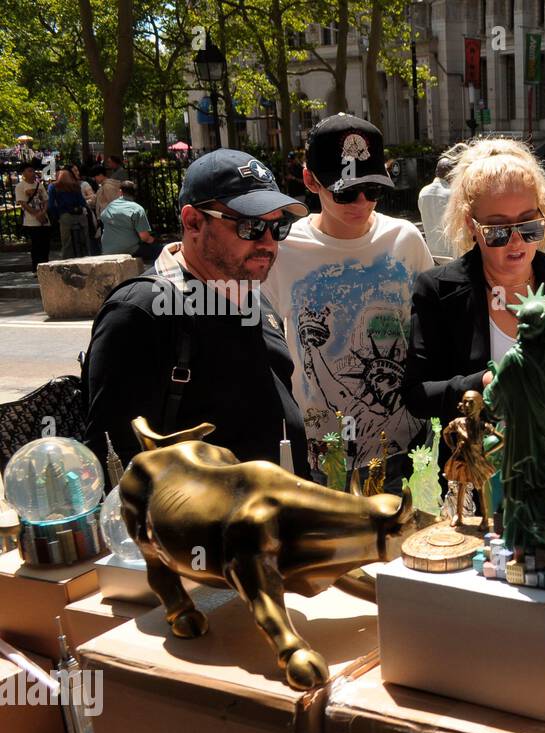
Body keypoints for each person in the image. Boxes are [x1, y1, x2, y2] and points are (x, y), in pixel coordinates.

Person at [81, 148, 310, 475]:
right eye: (250, 226)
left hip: (284, 503)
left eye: (278, 227)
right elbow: (115, 467)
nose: (268, 242)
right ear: (193, 222)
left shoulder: (253, 296)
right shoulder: (142, 312)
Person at [403, 138, 545, 482]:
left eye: (529, 227)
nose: (516, 242)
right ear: (471, 225)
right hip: (474, 478)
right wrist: (483, 384)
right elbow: (417, 394)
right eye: (498, 231)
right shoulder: (438, 290)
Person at [261, 114, 434, 490]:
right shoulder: (283, 251)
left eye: (372, 190)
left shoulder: (405, 240)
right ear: (310, 181)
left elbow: (430, 333)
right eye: (345, 193)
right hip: (325, 456)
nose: (361, 203)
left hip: (406, 449)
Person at [99, 180, 159, 261]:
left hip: (108, 250)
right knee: (159, 250)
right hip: (130, 250)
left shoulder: (110, 206)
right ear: (135, 193)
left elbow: (102, 217)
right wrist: (155, 240)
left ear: (120, 192)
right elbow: (144, 237)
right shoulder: (137, 209)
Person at [15, 161, 51, 272]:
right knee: (36, 245)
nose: (32, 173)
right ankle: (36, 268)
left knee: (45, 244)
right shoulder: (20, 186)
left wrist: (43, 212)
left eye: (33, 170)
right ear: (23, 173)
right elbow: (23, 203)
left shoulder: (39, 185)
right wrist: (36, 214)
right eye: (29, 171)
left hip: (44, 219)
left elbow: (46, 200)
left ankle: (46, 266)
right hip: (31, 221)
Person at [418, 156, 456, 259]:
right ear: (451, 174)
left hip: (431, 252)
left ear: (436, 172)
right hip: (451, 252)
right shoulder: (452, 194)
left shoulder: (423, 192)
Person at [48, 168, 90, 259]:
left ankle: (67, 263)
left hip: (65, 215)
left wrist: (57, 216)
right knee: (84, 241)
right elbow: (82, 202)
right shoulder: (75, 185)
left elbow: (51, 205)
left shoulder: (53, 186)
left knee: (67, 243)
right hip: (80, 215)